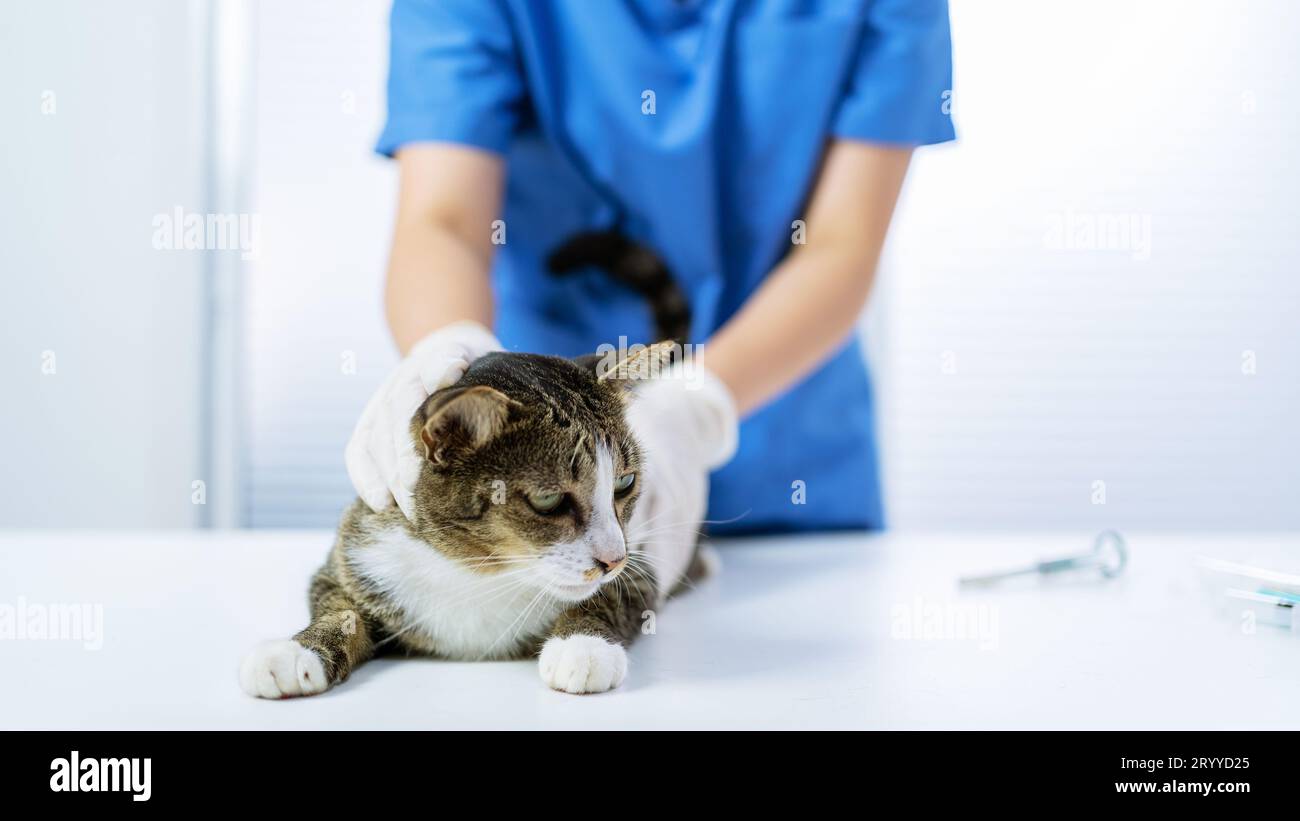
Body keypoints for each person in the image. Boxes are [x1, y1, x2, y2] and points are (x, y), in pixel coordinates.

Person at [347, 0, 955, 551]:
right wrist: (451, 354)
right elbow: (443, 220)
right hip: (540, 492)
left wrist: (694, 410)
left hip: (787, 476)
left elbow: (841, 247)